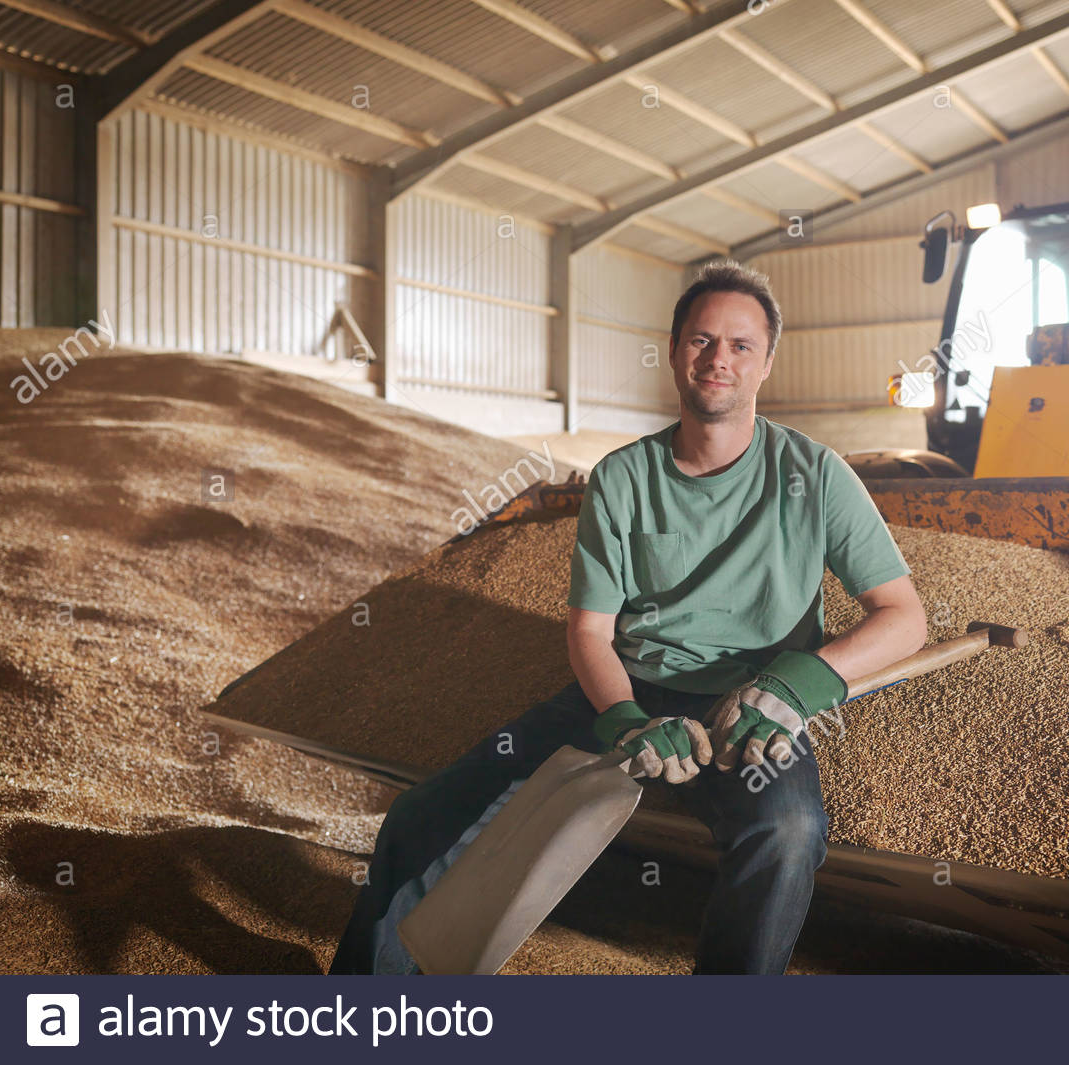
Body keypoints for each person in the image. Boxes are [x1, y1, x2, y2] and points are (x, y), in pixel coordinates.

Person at [329, 259, 927, 975]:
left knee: (789, 831)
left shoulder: (814, 473)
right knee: (421, 817)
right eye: (702, 340)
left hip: (753, 705)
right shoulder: (622, 478)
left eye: (740, 345)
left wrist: (800, 685)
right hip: (630, 689)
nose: (718, 359)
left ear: (767, 361)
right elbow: (590, 631)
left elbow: (903, 615)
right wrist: (624, 718)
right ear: (675, 351)